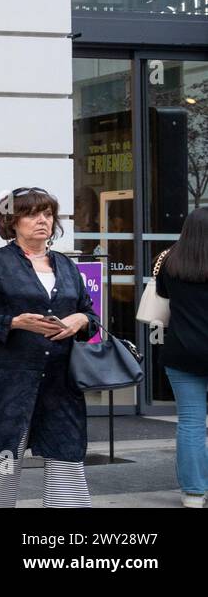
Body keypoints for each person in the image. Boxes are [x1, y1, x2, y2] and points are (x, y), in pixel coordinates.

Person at [0, 187, 98, 507]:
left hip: (60, 380)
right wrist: (15, 323)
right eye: (32, 214)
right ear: (12, 221)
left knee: (67, 458)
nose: (42, 220)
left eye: (47, 214)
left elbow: (90, 314)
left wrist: (79, 321)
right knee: (4, 461)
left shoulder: (67, 266)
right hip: (9, 380)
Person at [153, 207, 208, 507]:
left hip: (182, 353)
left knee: (190, 423)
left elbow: (163, 303)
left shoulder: (170, 262)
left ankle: (193, 494)